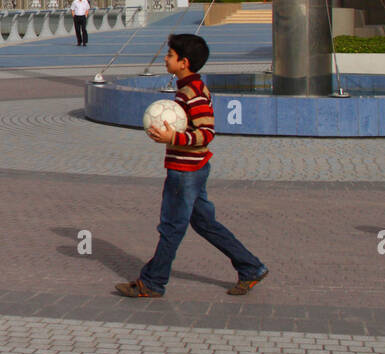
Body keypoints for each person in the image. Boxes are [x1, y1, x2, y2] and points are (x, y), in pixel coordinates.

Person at [115, 33, 269, 298]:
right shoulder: (188, 88)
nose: (165, 59)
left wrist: (171, 137)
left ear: (184, 62)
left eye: (170, 55)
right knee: (205, 224)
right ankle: (250, 267)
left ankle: (152, 282)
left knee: (171, 227)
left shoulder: (193, 93)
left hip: (186, 172)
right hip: (191, 168)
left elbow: (206, 133)